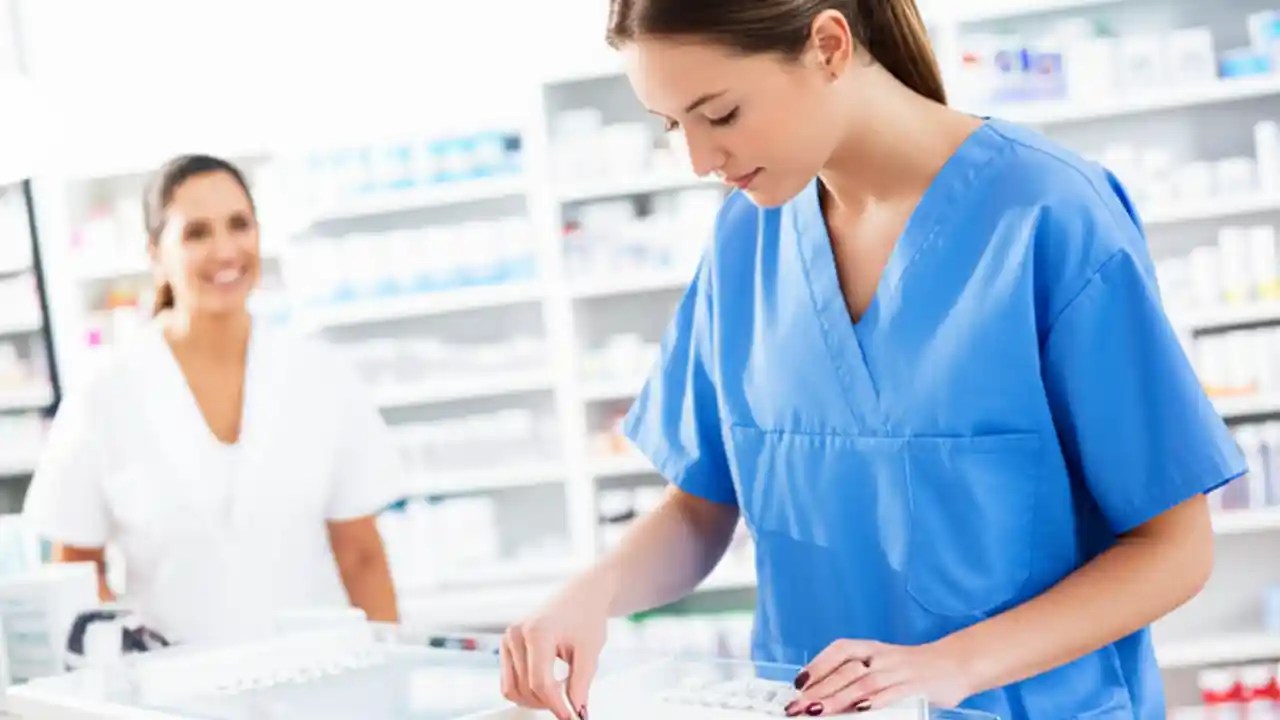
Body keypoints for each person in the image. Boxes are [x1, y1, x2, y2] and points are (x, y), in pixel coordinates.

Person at [500, 1, 1244, 718]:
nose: (697, 160)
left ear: (829, 46)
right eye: (672, 125)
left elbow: (1172, 551)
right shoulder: (745, 239)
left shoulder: (1048, 213)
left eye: (720, 114)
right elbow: (699, 508)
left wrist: (948, 666)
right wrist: (592, 595)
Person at [23, 155, 403, 646]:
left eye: (239, 225)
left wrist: (393, 673)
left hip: (316, 674)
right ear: (156, 253)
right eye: (197, 233)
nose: (225, 250)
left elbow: (361, 556)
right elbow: (76, 567)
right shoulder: (104, 394)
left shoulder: (320, 376)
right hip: (168, 684)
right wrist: (129, 661)